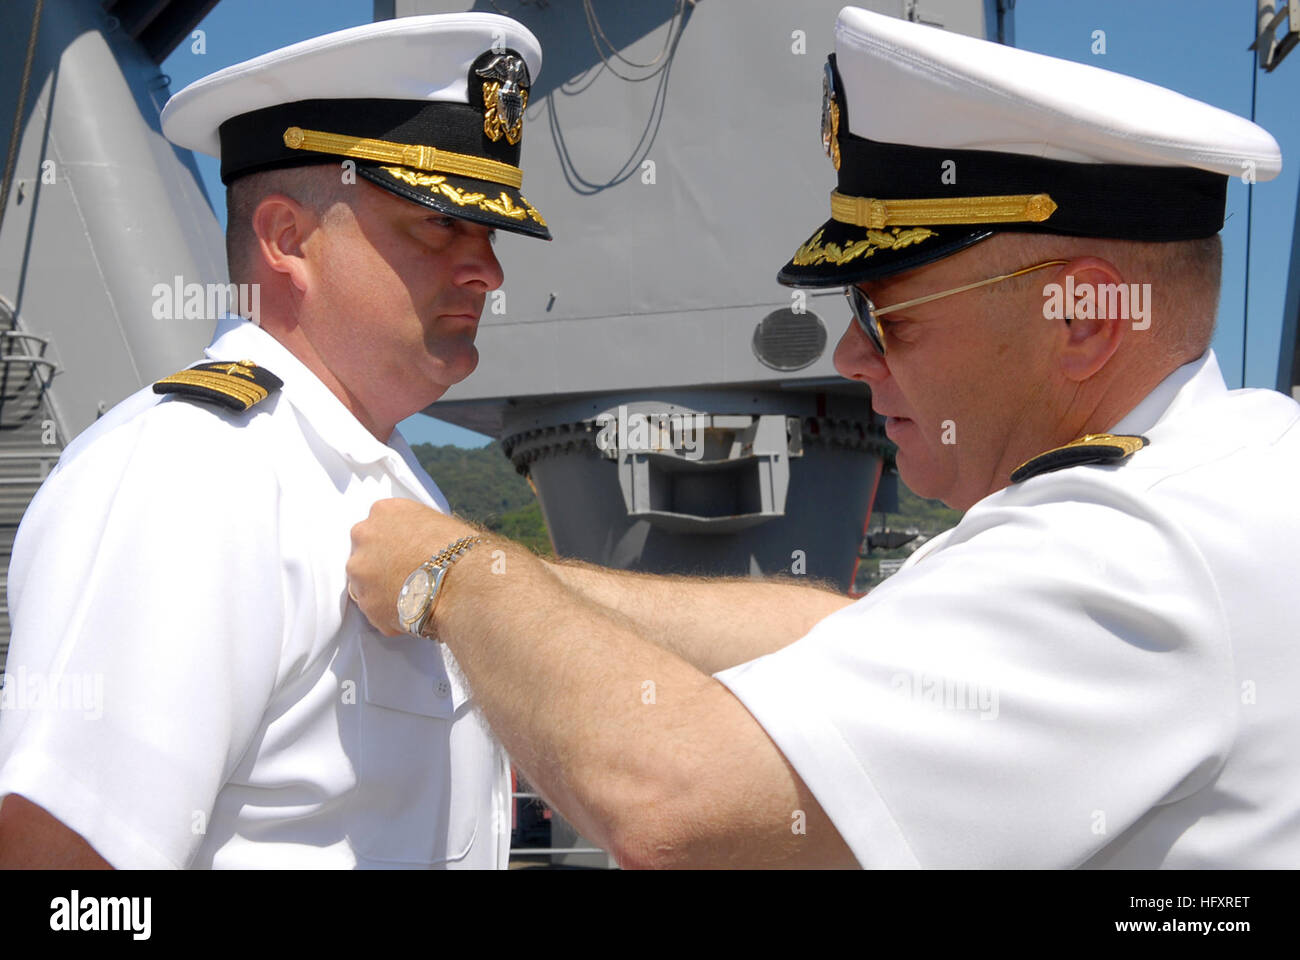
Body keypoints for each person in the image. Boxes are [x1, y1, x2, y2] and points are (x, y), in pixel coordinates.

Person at [345, 7, 1300, 868]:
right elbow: (840, 636)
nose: (850, 355)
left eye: (889, 314)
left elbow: (671, 799)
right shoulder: (1222, 473)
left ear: (1085, 316)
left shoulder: (1131, 549)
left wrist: (458, 573)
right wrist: (543, 584)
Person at [0, 12, 550, 869]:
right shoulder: (191, 475)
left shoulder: (387, 480)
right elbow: (65, 874)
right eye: (440, 225)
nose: (489, 269)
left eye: (488, 232)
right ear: (288, 241)